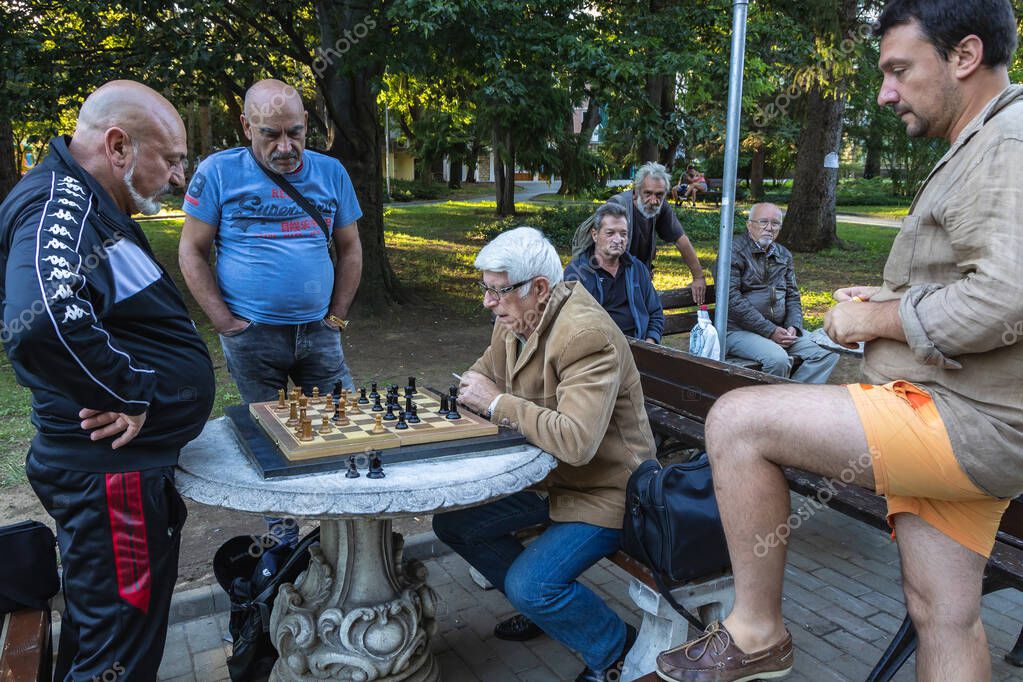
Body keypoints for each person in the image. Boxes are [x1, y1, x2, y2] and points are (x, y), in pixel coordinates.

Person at [657, 1, 1023, 680]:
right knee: (941, 612)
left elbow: (1008, 297)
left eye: (897, 70)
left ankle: (757, 631)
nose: (884, 92)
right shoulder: (982, 141)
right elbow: (973, 279)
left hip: (963, 421)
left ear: (964, 56)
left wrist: (877, 321)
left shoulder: (1007, 143)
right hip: (963, 417)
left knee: (737, 421)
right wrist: (886, 298)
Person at [0, 80, 215, 681]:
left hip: (118, 479)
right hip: (108, 481)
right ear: (118, 145)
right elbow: (40, 316)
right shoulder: (58, 202)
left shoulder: (89, 203)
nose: (178, 178)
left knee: (111, 640)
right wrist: (126, 392)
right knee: (114, 656)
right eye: (171, 160)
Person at [434, 227, 656, 682]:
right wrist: (475, 393)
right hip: (547, 480)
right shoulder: (515, 320)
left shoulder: (585, 335)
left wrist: (496, 404)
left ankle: (618, 651)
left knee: (531, 585)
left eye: (497, 291)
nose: (488, 303)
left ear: (538, 288)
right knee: (454, 524)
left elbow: (576, 440)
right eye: (486, 289)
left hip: (609, 491)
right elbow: (482, 373)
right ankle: (545, 613)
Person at [179, 78, 363, 547]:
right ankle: (281, 539)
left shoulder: (331, 173)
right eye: (270, 134)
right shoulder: (218, 173)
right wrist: (224, 322)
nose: (286, 147)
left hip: (319, 333)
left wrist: (337, 316)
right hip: (252, 336)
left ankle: (346, 528)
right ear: (246, 127)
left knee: (344, 429)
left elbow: (350, 248)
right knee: (267, 438)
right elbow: (192, 252)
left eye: (295, 133)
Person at [725, 202, 838, 383]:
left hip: (780, 329)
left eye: (775, 223)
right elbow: (732, 300)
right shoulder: (732, 252)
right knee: (778, 360)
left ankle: (793, 399)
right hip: (738, 331)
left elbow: (792, 296)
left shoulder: (783, 255)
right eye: (763, 222)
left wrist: (793, 326)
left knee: (828, 351)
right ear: (749, 224)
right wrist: (770, 330)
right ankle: (768, 406)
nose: (769, 228)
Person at [577, 162, 707, 304]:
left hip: (637, 280)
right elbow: (601, 252)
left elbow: (681, 240)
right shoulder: (618, 206)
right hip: (607, 282)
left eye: (659, 195)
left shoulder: (661, 207)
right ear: (637, 191)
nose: (653, 200)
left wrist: (698, 277)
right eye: (648, 193)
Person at [564, 202, 664, 343]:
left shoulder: (637, 268)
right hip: (597, 353)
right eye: (610, 233)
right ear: (595, 235)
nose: (618, 239)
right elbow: (568, 324)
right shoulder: (577, 274)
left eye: (623, 233)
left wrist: (650, 343)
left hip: (639, 350)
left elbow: (655, 313)